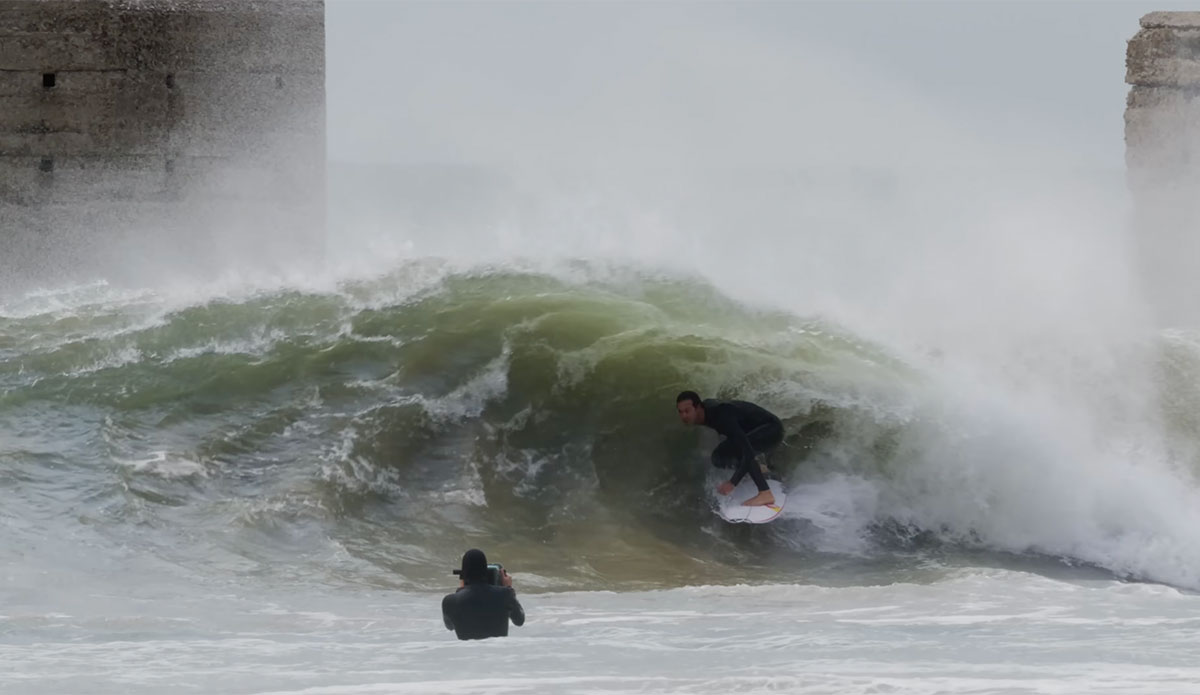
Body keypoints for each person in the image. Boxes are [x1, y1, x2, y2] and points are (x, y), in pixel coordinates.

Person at [676, 390, 784, 506]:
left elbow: (747, 451)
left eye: (687, 411)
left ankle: (765, 493)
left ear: (698, 407)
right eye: (680, 412)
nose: (684, 416)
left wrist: (732, 483)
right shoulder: (706, 412)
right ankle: (758, 470)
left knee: (742, 451)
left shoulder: (721, 415)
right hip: (755, 431)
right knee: (718, 457)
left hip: (772, 430)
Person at [442, 548, 525, 640]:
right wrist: (509, 588)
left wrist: (461, 589)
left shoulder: (450, 601)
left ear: (463, 574)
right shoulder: (505, 594)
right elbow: (519, 621)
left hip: (467, 653)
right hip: (498, 652)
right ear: (485, 570)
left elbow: (450, 626)